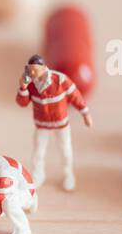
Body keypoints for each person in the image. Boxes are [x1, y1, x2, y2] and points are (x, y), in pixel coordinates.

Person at [15, 54, 92, 191]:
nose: (32, 73)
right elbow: (22, 103)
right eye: (30, 70)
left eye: (35, 70)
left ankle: (68, 174)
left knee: (65, 150)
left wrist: (85, 112)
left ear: (44, 68)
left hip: (60, 123)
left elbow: (75, 96)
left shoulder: (60, 80)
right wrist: (23, 88)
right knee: (38, 152)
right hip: (41, 124)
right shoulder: (30, 83)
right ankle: (38, 175)